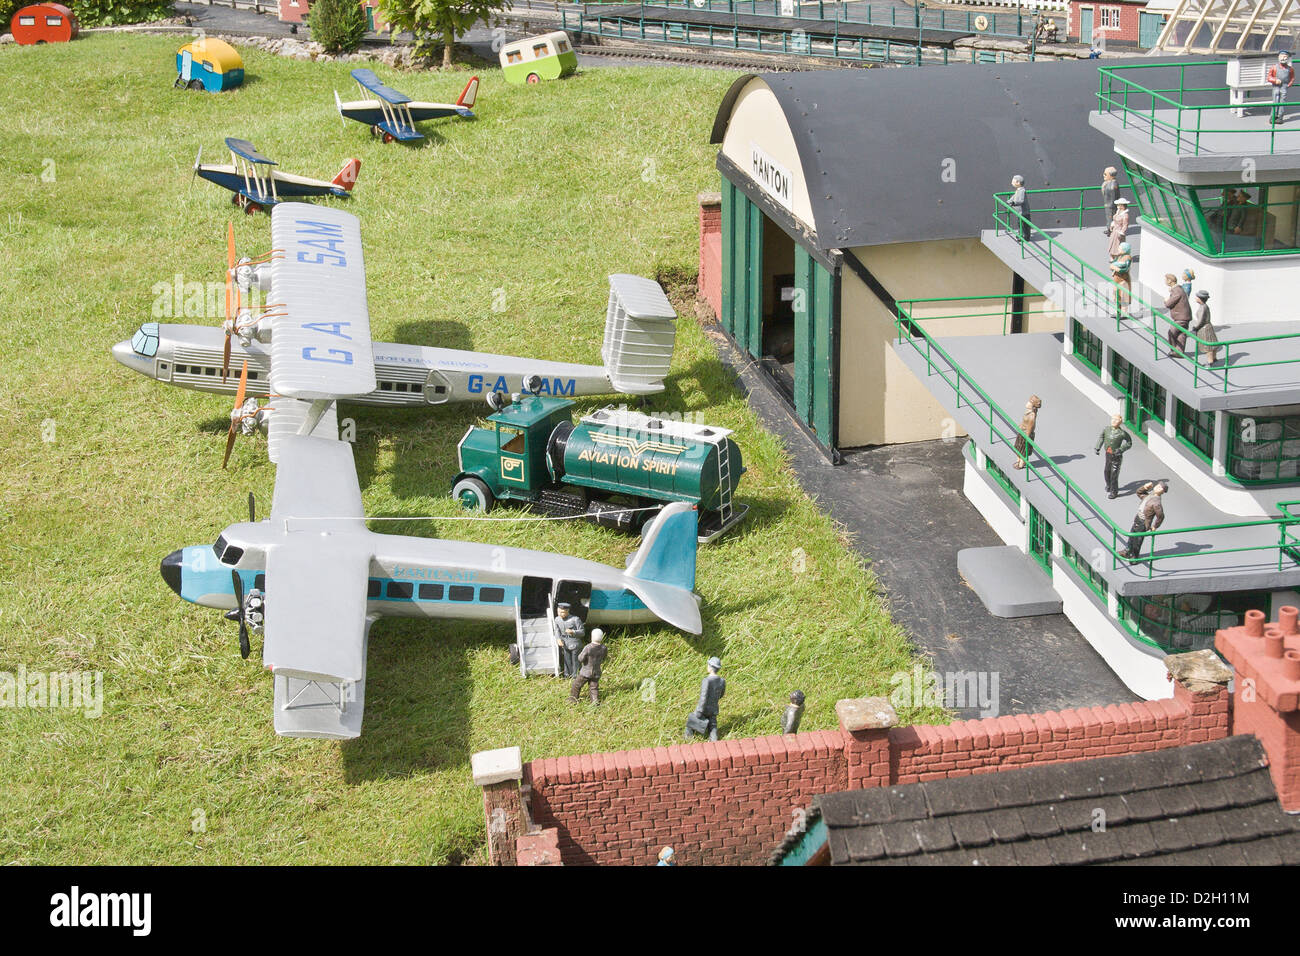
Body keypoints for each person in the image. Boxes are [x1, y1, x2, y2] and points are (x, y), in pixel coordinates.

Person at [1118, 481, 1167, 560]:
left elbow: (1160, 516)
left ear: (1163, 491)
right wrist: (1145, 487)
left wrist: (1155, 526)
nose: (1158, 487)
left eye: (1160, 487)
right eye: (1158, 485)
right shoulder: (1149, 496)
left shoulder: (1156, 503)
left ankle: (1134, 557)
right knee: (1132, 536)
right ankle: (1127, 551)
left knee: (1138, 540)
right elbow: (1139, 493)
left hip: (1143, 522)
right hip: (1138, 519)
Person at [685, 657, 725, 742]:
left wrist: (699, 711)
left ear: (710, 667)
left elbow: (703, 697)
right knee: (713, 725)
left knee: (691, 720)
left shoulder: (706, 681)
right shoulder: (722, 681)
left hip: (704, 708)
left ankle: (688, 738)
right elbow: (721, 694)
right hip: (714, 707)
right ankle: (714, 740)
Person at [1095, 413, 1133, 499]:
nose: (1113, 421)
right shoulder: (1106, 429)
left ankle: (1114, 491)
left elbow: (1129, 443)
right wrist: (1098, 447)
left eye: (1116, 420)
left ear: (1120, 422)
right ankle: (1109, 485)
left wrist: (1121, 449)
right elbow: (1101, 437)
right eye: (1112, 419)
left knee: (1114, 475)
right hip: (1108, 455)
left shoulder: (1122, 433)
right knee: (1106, 471)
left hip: (1116, 456)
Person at [569, 629, 607, 705]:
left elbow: (580, 658)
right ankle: (595, 702)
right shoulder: (604, 648)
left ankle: (573, 699)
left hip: (586, 672)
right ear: (602, 637)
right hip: (596, 671)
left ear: (591, 637)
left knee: (576, 685)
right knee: (594, 688)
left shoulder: (588, 647)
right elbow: (604, 658)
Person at [1164, 273, 1193, 356]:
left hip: (1181, 317)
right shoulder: (1178, 289)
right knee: (1181, 334)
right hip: (1184, 316)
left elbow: (1168, 304)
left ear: (1170, 281)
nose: (1165, 281)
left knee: (1172, 332)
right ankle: (1179, 352)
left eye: (1166, 280)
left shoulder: (1177, 291)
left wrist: (1166, 300)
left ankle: (1174, 350)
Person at [554, 602, 585, 679]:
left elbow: (582, 632)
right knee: (566, 659)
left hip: (574, 643)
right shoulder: (557, 619)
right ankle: (567, 675)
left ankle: (576, 676)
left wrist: (573, 632)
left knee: (575, 661)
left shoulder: (575, 619)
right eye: (558, 612)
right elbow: (556, 630)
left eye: (562, 612)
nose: (560, 614)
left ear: (567, 611)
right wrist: (558, 639)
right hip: (565, 643)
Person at [1190, 290, 1220, 365]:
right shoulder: (1204, 306)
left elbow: (1201, 320)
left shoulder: (1203, 308)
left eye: (1197, 297)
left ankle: (1210, 361)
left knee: (1207, 346)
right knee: (1212, 343)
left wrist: (1195, 327)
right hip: (1208, 327)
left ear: (1200, 298)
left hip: (1204, 328)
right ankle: (1214, 358)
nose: (1196, 298)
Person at [1013, 395, 1042, 470]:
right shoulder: (1028, 412)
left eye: (1029, 402)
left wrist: (1027, 437)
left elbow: (1030, 427)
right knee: (1018, 447)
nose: (1027, 403)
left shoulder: (1032, 415)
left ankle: (1021, 463)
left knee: (1023, 449)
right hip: (1022, 431)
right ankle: (1018, 460)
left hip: (1026, 434)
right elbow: (1024, 421)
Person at [1269, 50, 1295, 124]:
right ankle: (1273, 116)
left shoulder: (1290, 69)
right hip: (1276, 86)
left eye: (1285, 57)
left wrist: (1289, 84)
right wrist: (1274, 80)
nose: (1283, 59)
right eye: (1281, 57)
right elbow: (1269, 77)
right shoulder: (1274, 67)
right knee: (1275, 100)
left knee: (1282, 101)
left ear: (1288, 58)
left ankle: (1280, 116)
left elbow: (1292, 77)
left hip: (1284, 86)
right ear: (1278, 57)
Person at [1110, 241, 1133, 309]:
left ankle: (1124, 313)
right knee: (1117, 296)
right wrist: (1113, 266)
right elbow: (1113, 263)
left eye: (1120, 248)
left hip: (1123, 279)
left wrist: (1115, 267)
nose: (1118, 249)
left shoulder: (1128, 257)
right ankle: (1118, 312)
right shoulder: (1119, 256)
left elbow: (1125, 268)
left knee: (1124, 296)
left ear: (1124, 249)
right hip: (1117, 279)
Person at [1008, 175, 1032, 239]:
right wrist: (1009, 201)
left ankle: (1026, 236)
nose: (1011, 183)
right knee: (1020, 223)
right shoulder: (1018, 190)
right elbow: (1014, 196)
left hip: (1024, 212)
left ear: (1018, 183)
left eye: (1013, 182)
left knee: (1024, 224)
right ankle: (1021, 234)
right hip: (1020, 212)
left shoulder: (1022, 191)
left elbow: (1021, 200)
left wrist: (1014, 203)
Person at [1101, 167, 1120, 232]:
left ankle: (1111, 230)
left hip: (1111, 206)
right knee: (1109, 217)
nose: (1103, 175)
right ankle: (1109, 228)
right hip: (1108, 204)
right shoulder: (1108, 183)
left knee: (1111, 218)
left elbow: (1114, 196)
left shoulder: (1113, 185)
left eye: (1105, 174)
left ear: (1111, 175)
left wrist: (1111, 205)